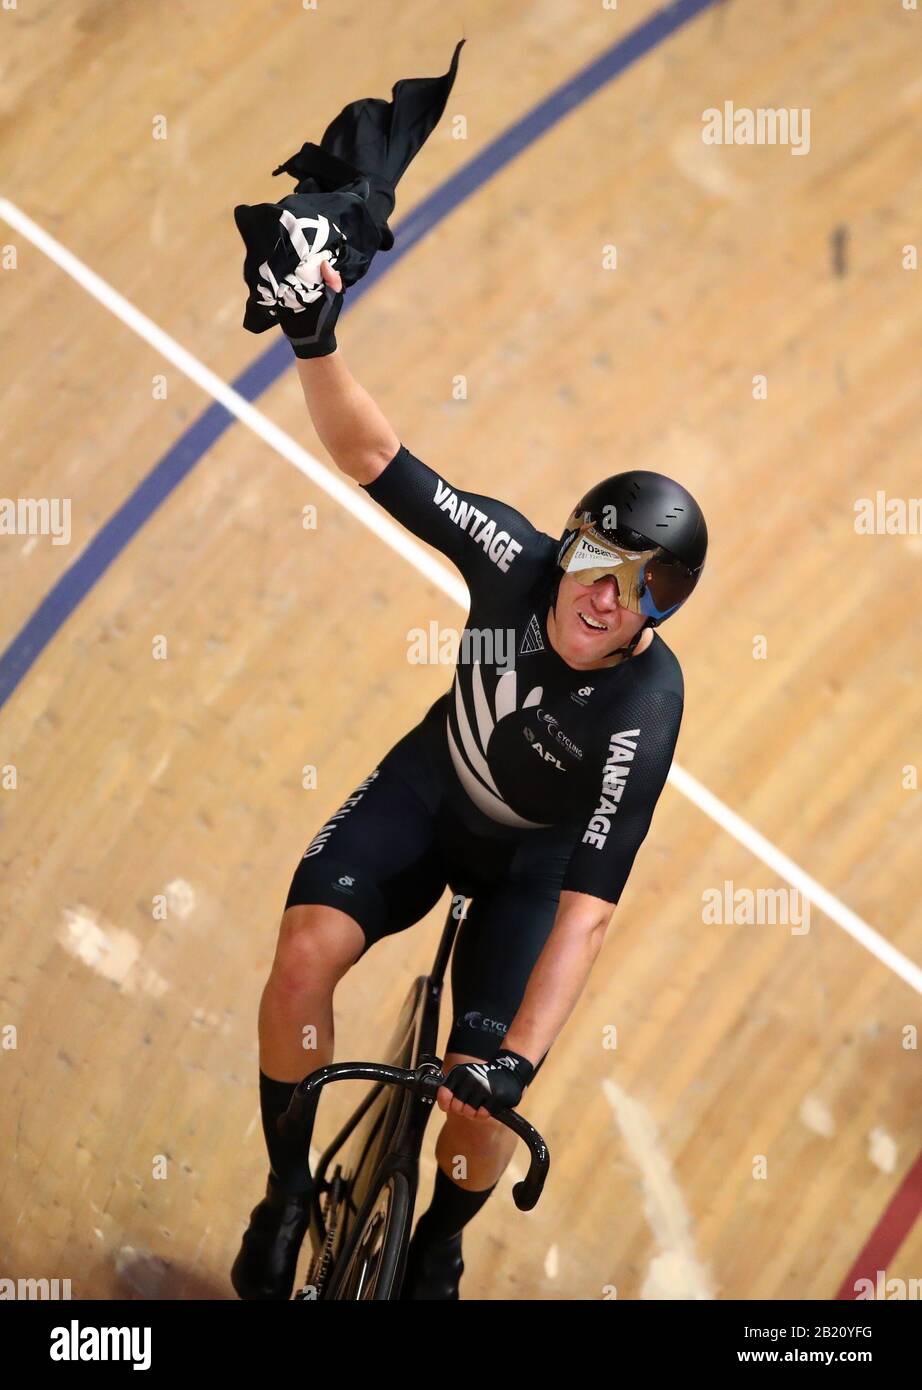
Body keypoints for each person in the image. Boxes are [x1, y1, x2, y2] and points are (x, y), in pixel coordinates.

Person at [231, 257, 708, 1301]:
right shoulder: (510, 556)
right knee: (305, 953)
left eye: (647, 588)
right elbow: (374, 453)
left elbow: (583, 917)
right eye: (599, 559)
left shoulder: (644, 711)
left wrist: (514, 1066)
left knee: (480, 1103)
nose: (609, 596)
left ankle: (440, 1241)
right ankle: (285, 1192)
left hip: (527, 878)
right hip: (428, 794)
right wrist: (314, 340)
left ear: (663, 612)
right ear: (569, 542)